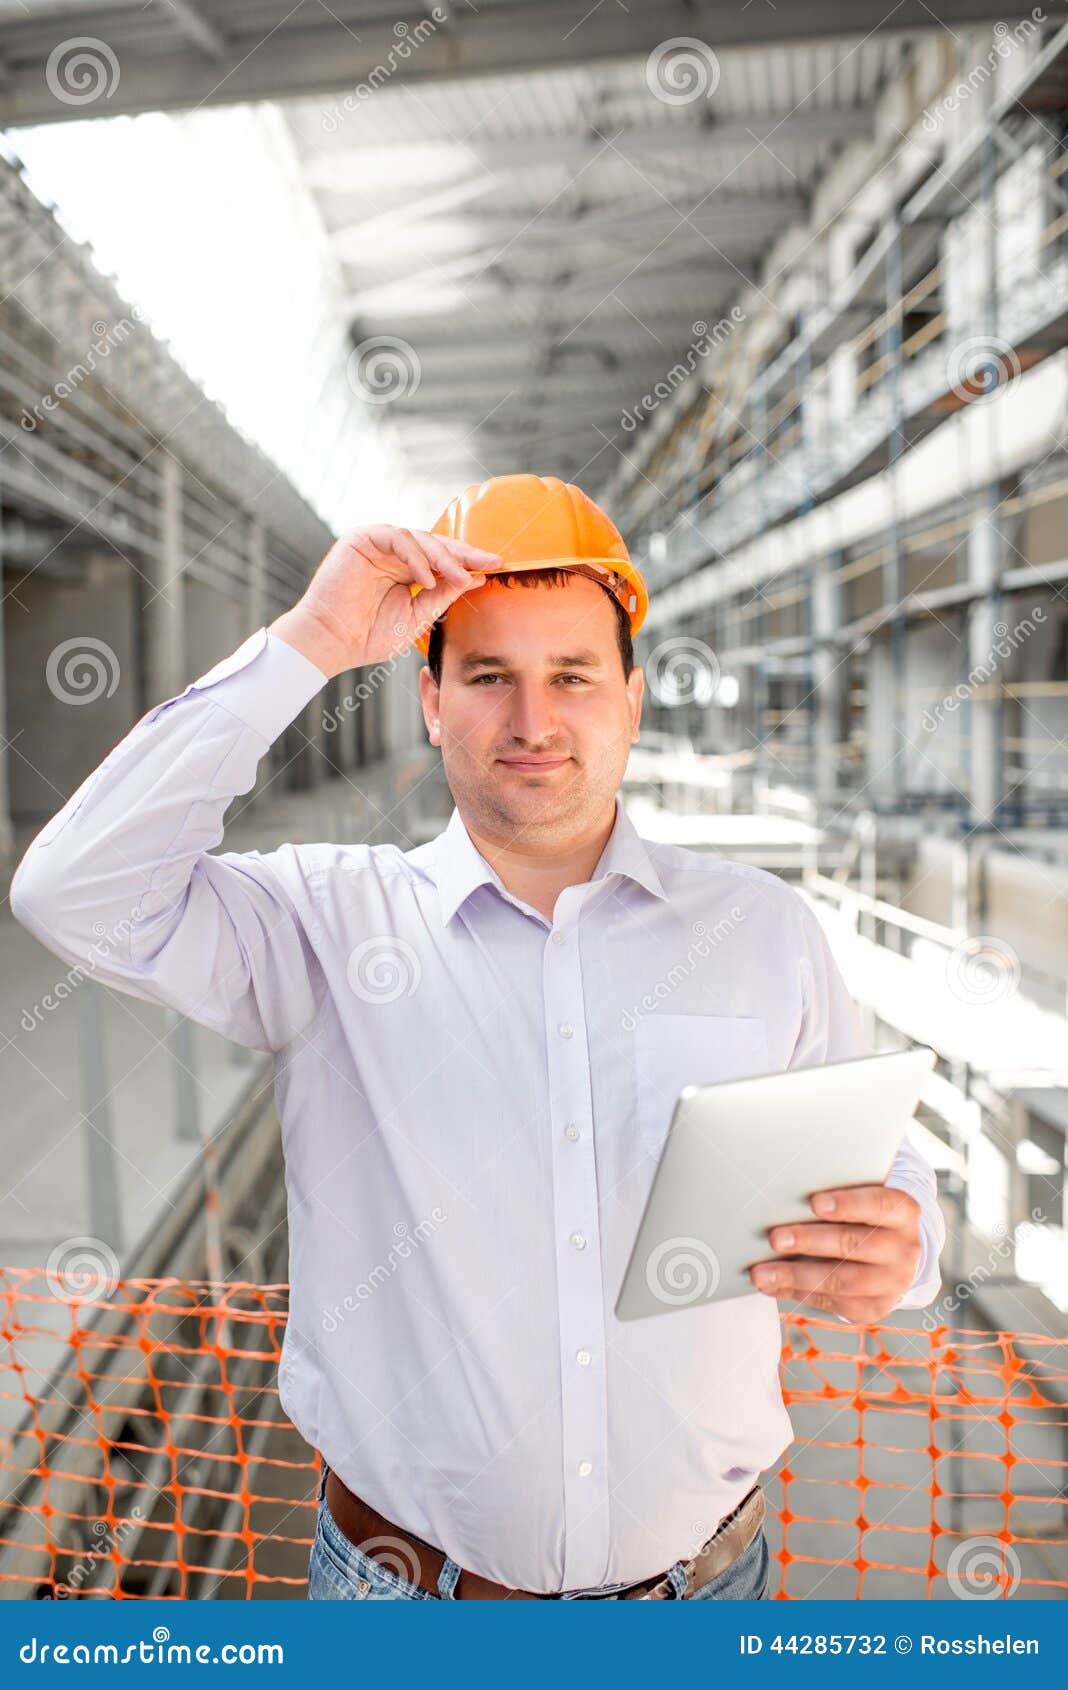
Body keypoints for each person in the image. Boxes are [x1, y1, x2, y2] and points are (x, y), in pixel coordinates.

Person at [10, 473, 944, 1602]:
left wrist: (909, 1239)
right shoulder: (324, 925)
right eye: (490, 677)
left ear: (633, 698)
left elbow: (877, 1154)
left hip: (708, 1590)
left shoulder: (762, 931)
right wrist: (309, 641)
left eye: (573, 677)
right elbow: (75, 890)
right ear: (431, 701)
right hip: (407, 1604)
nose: (535, 721)